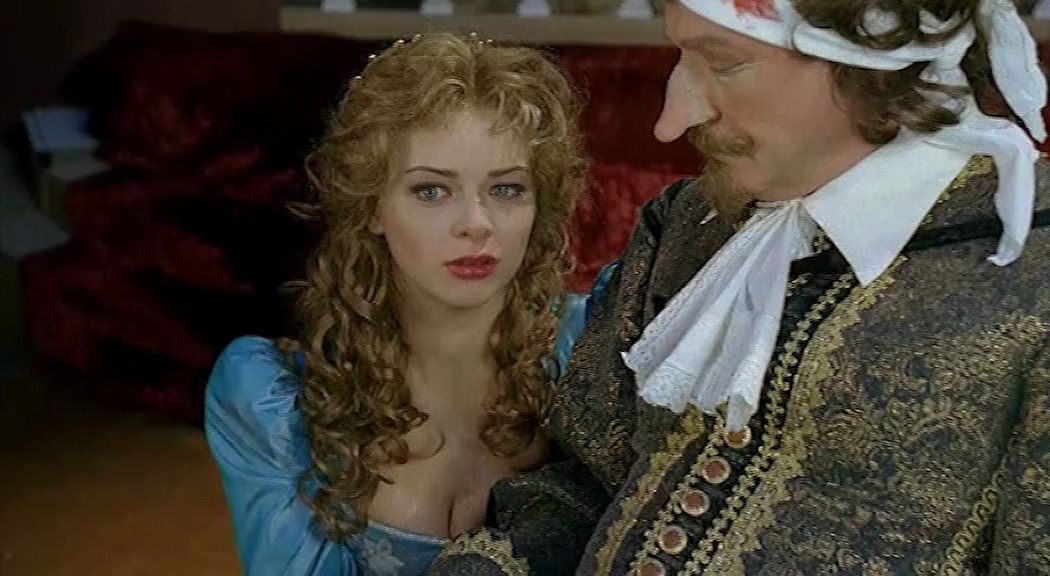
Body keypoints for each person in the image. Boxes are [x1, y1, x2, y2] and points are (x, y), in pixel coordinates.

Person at [428, 0, 1050, 574]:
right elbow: (585, 487)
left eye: (723, 62)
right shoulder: (689, 223)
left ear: (871, 64)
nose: (674, 118)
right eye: (681, 56)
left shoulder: (1033, 278)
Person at [204, 32, 588, 575]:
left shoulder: (589, 346)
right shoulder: (273, 401)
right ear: (373, 208)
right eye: (431, 190)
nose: (476, 223)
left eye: (506, 189)